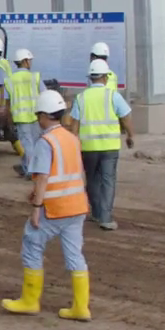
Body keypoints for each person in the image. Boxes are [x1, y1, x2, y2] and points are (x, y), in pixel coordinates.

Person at [2, 89, 93, 321]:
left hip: (54, 208)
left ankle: (30, 300)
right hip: (77, 206)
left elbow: (43, 176)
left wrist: (36, 206)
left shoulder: (46, 142)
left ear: (44, 115)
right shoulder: (72, 138)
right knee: (74, 254)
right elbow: (70, 172)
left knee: (32, 243)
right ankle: (81, 307)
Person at [66, 58, 133, 230]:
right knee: (108, 180)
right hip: (110, 146)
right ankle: (106, 217)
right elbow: (125, 117)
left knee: (92, 180)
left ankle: (96, 213)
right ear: (105, 77)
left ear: (90, 78)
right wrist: (130, 135)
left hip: (88, 147)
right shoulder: (113, 96)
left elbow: (74, 125)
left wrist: (72, 145)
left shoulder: (81, 98)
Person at [6, 48, 43, 176]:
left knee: (27, 145)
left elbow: (7, 100)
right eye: (30, 60)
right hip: (36, 115)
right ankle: (31, 169)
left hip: (20, 117)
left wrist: (9, 116)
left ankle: (29, 169)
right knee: (36, 144)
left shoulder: (10, 79)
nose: (31, 63)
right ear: (25, 61)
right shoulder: (35, 77)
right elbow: (44, 94)